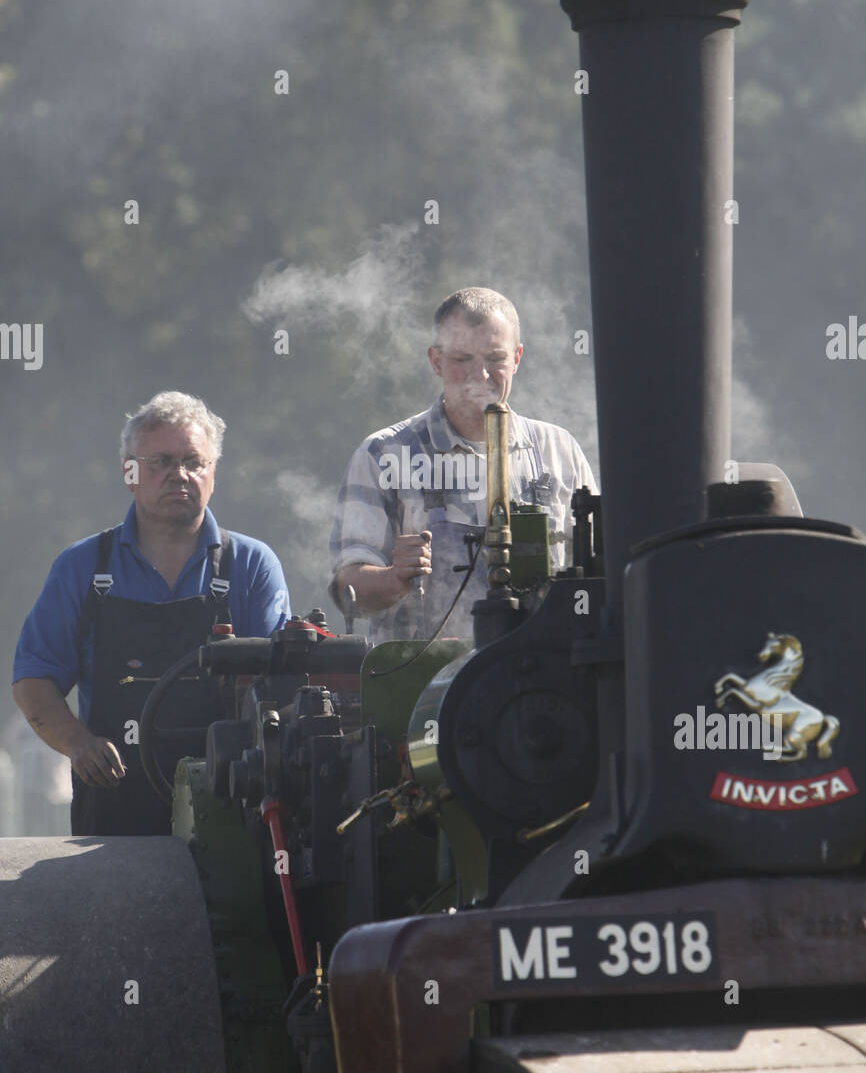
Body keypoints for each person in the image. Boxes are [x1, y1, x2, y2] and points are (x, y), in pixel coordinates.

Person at [12, 391, 291, 835]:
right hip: (111, 814)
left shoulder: (251, 566)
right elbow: (33, 678)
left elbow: (280, 684)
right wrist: (78, 744)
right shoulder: (82, 568)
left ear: (212, 474)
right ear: (130, 473)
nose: (178, 474)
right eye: (160, 462)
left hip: (230, 814)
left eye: (193, 461)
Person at [330, 287, 596, 643]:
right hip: (425, 688)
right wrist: (394, 578)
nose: (480, 375)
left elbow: (596, 574)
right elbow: (349, 590)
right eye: (462, 360)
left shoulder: (559, 452)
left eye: (494, 358)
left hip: (541, 681)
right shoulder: (386, 455)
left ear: (516, 358)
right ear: (436, 360)